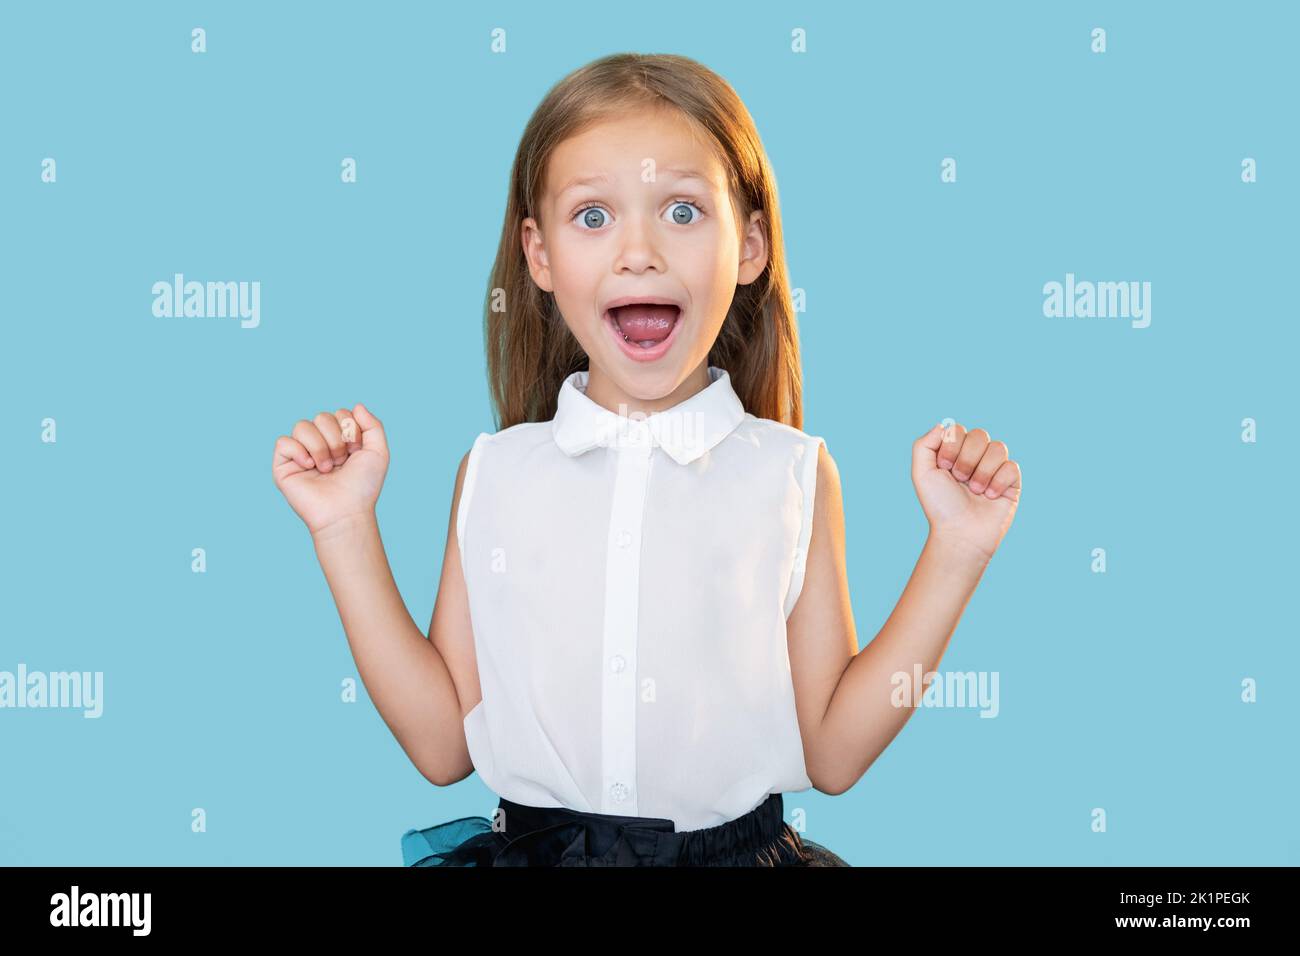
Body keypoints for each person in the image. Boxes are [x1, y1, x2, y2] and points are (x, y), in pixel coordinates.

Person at [271, 52, 1022, 867]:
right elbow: (443, 743)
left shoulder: (792, 475)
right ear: (540, 254)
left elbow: (834, 753)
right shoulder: (496, 473)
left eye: (683, 212)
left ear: (751, 246)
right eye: (593, 217)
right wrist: (344, 527)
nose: (638, 252)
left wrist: (958, 550)